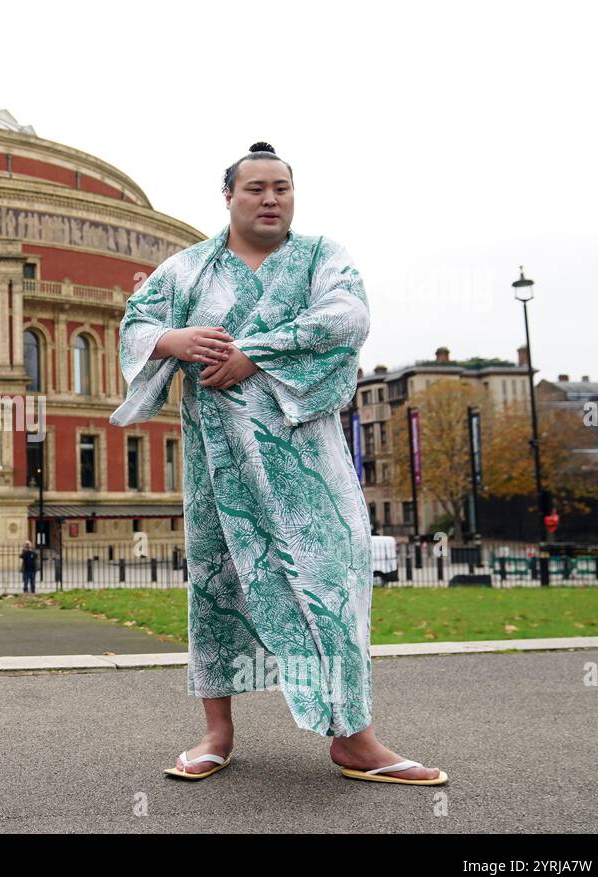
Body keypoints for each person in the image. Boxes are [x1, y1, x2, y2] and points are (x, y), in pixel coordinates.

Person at [111, 142, 446, 786]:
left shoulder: (324, 258)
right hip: (221, 467)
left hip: (308, 464)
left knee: (332, 580)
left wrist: (255, 353)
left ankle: (355, 738)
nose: (270, 199)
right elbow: (137, 321)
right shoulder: (187, 271)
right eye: (256, 188)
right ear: (229, 196)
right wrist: (173, 339)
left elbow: (347, 318)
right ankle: (216, 732)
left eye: (282, 188)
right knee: (218, 583)